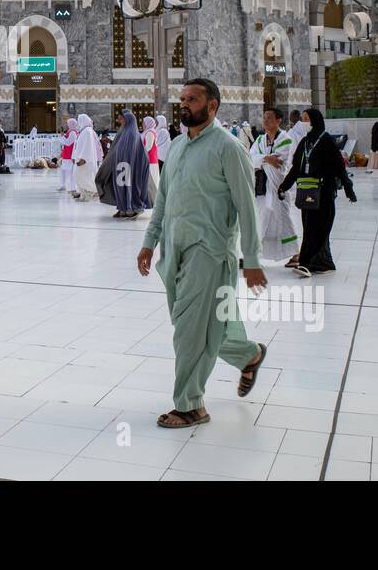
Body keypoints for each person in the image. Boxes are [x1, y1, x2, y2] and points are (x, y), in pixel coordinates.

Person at [136, 78, 267, 429]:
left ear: (212, 106)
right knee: (201, 323)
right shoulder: (177, 146)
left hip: (210, 252)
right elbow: (163, 200)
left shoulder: (228, 148)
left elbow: (246, 207)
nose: (183, 104)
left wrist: (251, 260)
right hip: (175, 251)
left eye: (192, 99)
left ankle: (191, 404)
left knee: (191, 330)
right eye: (181, 98)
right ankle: (249, 354)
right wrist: (150, 241)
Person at [278, 107, 356, 277]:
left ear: (315, 121)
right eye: (303, 119)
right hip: (307, 192)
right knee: (310, 228)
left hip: (324, 192)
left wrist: (348, 187)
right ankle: (322, 262)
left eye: (306, 119)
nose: (303, 123)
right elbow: (295, 169)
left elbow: (338, 166)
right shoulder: (305, 143)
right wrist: (284, 186)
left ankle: (305, 263)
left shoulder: (326, 141)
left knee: (319, 227)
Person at [250, 107, 299, 266]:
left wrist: (261, 160)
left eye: (269, 118)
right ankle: (253, 255)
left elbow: (280, 163)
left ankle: (296, 254)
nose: (266, 121)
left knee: (284, 221)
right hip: (262, 189)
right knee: (260, 221)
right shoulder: (259, 140)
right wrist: (266, 158)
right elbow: (250, 159)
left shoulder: (285, 139)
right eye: (264, 118)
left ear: (278, 120)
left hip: (278, 189)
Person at [105, 110, 150, 219]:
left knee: (130, 187)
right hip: (121, 165)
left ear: (128, 119)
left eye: (121, 119)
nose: (119, 121)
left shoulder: (132, 133)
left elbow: (134, 152)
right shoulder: (123, 131)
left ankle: (132, 208)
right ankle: (122, 207)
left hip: (130, 166)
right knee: (120, 187)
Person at [72, 114, 101, 201]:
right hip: (81, 159)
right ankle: (84, 194)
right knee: (79, 177)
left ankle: (91, 193)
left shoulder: (87, 131)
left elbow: (88, 146)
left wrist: (83, 158)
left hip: (85, 160)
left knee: (86, 178)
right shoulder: (83, 131)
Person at [142, 115, 161, 202]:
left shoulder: (149, 132)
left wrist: (140, 153)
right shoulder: (150, 131)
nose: (142, 124)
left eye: (144, 123)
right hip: (151, 159)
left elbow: (148, 147)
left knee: (152, 180)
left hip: (150, 160)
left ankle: (153, 198)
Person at [58, 117, 78, 192]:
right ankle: (63, 185)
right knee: (63, 170)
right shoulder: (70, 131)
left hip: (70, 155)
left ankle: (72, 187)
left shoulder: (73, 132)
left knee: (70, 172)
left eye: (68, 123)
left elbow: (68, 143)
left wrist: (62, 136)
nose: (67, 125)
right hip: (66, 154)